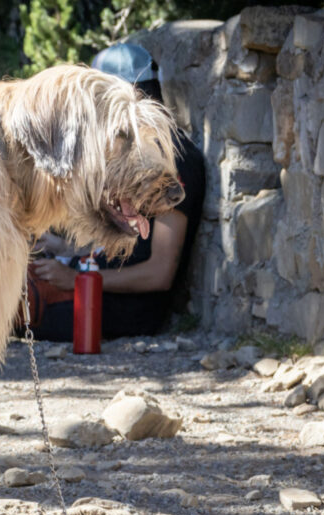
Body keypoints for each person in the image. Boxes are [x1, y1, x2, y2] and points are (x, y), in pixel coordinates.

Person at [23, 43, 206, 342]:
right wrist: (63, 248)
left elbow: (159, 272)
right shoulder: (134, 151)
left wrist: (77, 278)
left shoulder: (175, 160)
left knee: (0, 303)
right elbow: (124, 246)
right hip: (86, 287)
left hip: (115, 307)